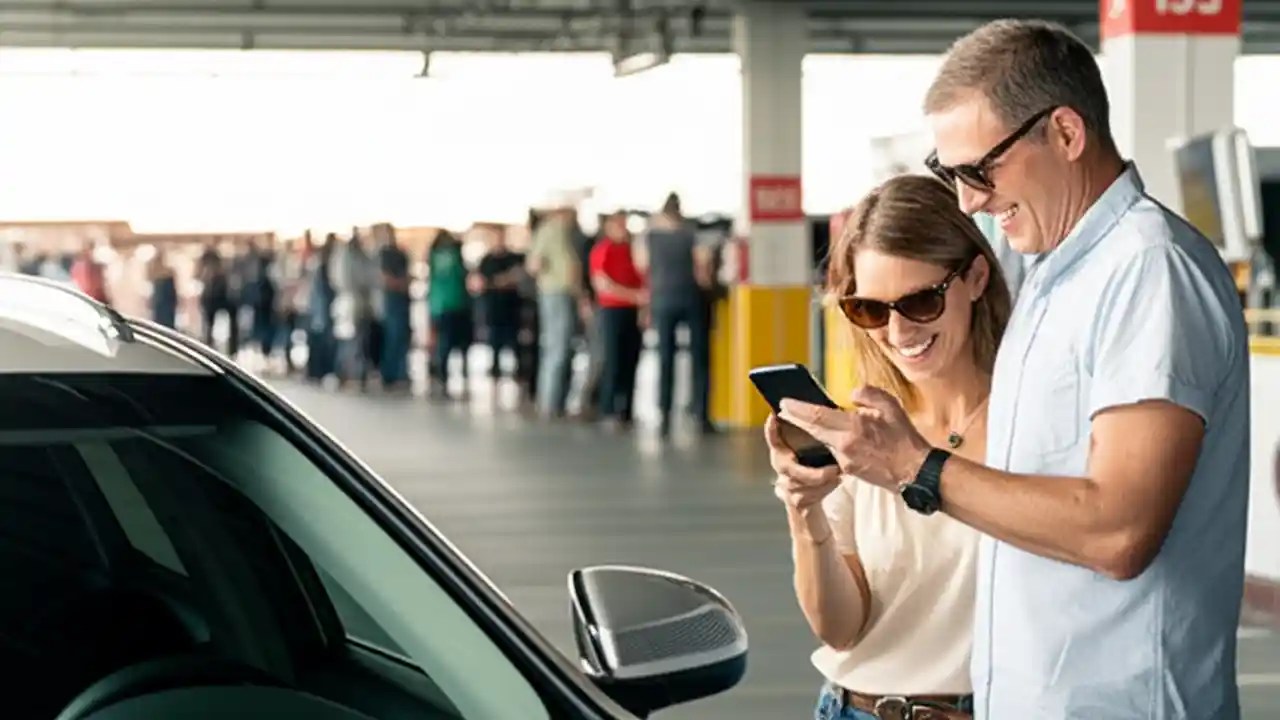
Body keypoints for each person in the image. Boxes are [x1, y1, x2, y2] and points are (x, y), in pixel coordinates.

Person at [778, 19, 1250, 719]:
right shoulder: (1058, 278)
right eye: (952, 174)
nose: (969, 200)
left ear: (1065, 133)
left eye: (980, 170)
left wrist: (916, 466)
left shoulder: (1149, 271)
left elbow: (1118, 531)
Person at [770, 175, 1009, 720]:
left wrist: (915, 467)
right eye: (871, 310)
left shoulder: (1034, 423)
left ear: (975, 277)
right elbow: (841, 628)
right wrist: (803, 510)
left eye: (921, 301)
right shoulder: (863, 435)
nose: (898, 331)